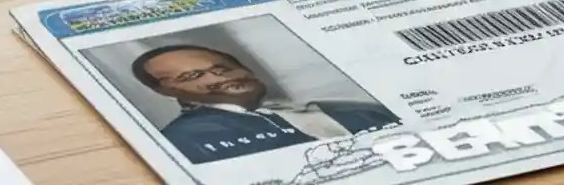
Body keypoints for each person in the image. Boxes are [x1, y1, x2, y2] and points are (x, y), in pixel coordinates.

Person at [131, 44, 399, 164]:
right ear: (164, 91)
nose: (220, 78)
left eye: (224, 68)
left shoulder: (357, 110)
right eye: (193, 76)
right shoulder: (183, 141)